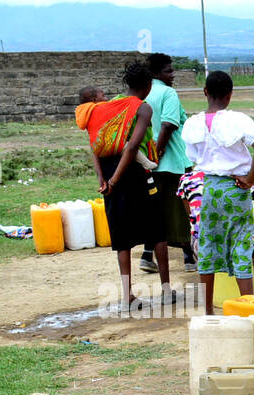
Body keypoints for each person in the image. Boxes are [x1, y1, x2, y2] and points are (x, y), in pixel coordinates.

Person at [74, 63, 171, 311]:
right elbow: (131, 147)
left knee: (122, 236)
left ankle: (127, 295)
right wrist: (116, 179)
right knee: (157, 230)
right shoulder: (143, 108)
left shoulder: (104, 107)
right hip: (135, 176)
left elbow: (94, 144)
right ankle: (166, 289)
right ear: (148, 86)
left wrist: (103, 180)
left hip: (109, 178)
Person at [179, 70, 254, 315]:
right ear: (230, 95)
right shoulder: (237, 120)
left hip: (210, 190)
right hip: (235, 189)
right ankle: (248, 307)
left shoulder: (193, 123)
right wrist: (250, 179)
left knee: (207, 243)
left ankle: (207, 311)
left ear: (205, 92)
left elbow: (193, 159)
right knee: (240, 243)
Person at [179, 170, 254, 297]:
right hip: (238, 238)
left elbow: (190, 215)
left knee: (205, 253)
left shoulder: (186, 179)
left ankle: (210, 307)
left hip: (203, 242)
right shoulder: (236, 176)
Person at [140, 52, 195, 275]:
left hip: (148, 164)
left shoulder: (143, 93)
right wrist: (158, 153)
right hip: (171, 162)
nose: (173, 75)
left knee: (155, 211)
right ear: (156, 73)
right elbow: (168, 125)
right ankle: (189, 256)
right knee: (181, 210)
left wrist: (149, 159)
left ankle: (146, 254)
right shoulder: (167, 93)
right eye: (169, 71)